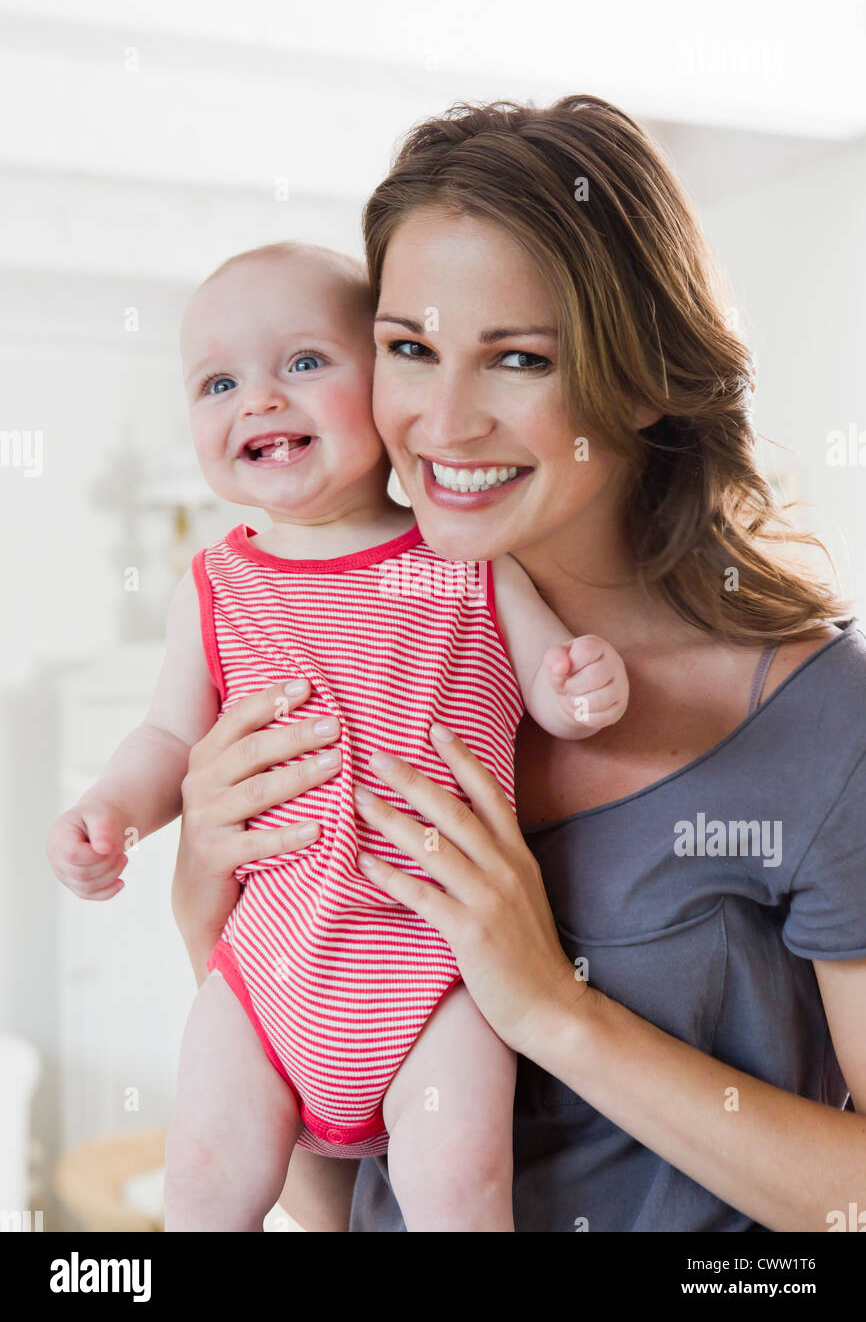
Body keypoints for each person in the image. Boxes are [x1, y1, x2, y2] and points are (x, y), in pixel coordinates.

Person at [173, 95, 866, 1233]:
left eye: (517, 360)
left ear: (640, 382)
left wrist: (550, 1007)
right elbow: (340, 1193)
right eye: (408, 350)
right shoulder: (318, 676)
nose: (442, 423)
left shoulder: (821, 727)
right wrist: (208, 907)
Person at [46, 238, 628, 1232]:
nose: (260, 400)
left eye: (303, 363)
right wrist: (112, 811)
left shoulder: (464, 553)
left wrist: (579, 685)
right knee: (202, 1178)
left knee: (458, 1185)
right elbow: (165, 736)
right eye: (217, 382)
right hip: (266, 974)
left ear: (385, 384)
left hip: (438, 968)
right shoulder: (218, 582)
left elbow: (548, 684)